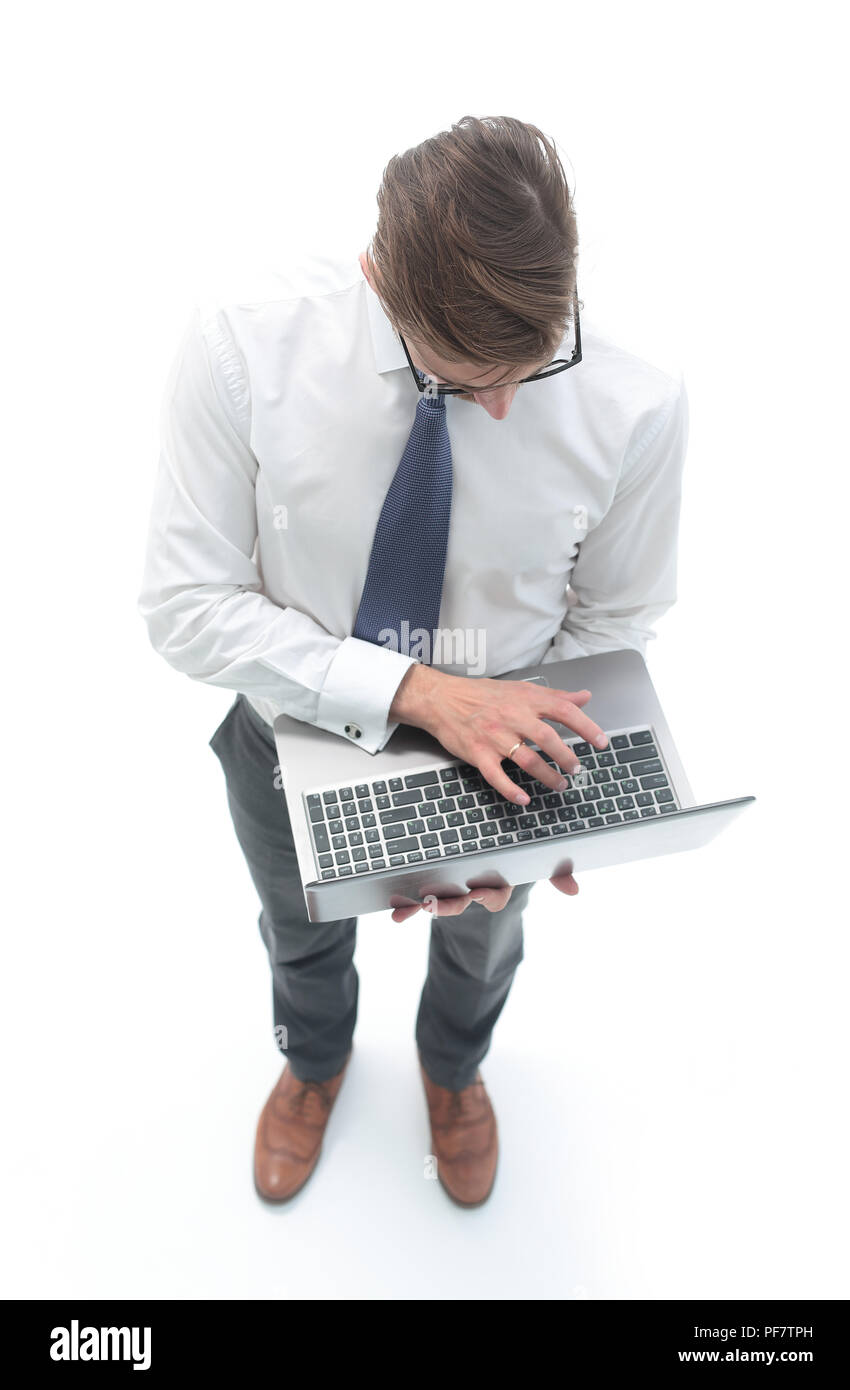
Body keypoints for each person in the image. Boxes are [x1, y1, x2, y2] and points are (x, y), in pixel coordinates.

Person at [138, 114, 689, 1208]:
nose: (498, 404)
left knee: (487, 942)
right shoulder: (243, 346)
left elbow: (615, 614)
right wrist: (420, 696)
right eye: (465, 374)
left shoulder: (636, 403)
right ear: (377, 279)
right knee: (297, 927)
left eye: (529, 373)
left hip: (513, 749)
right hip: (287, 731)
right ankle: (312, 1059)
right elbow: (184, 607)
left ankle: (453, 1072)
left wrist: (535, 789)